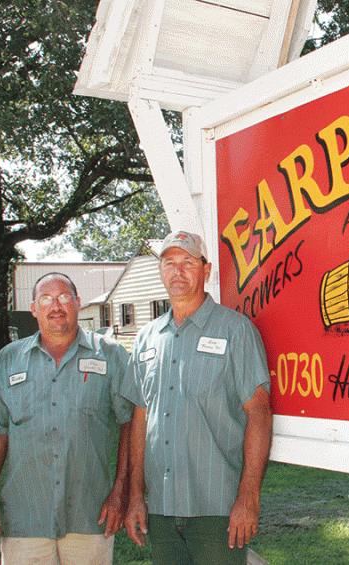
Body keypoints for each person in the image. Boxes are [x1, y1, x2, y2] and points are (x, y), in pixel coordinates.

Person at [123, 231, 273, 564]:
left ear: (205, 271)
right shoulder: (146, 340)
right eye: (169, 263)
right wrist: (135, 496)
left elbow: (259, 414)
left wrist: (249, 496)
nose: (177, 272)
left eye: (187, 263)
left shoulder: (235, 330)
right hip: (160, 510)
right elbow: (139, 420)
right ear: (161, 271)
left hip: (217, 509)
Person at [0, 272, 133, 564]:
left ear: (78, 303)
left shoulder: (110, 355)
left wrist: (120, 492)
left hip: (91, 515)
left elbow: (129, 425)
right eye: (46, 299)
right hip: (24, 519)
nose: (56, 306)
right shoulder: (8, 360)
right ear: (34, 308)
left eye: (64, 297)